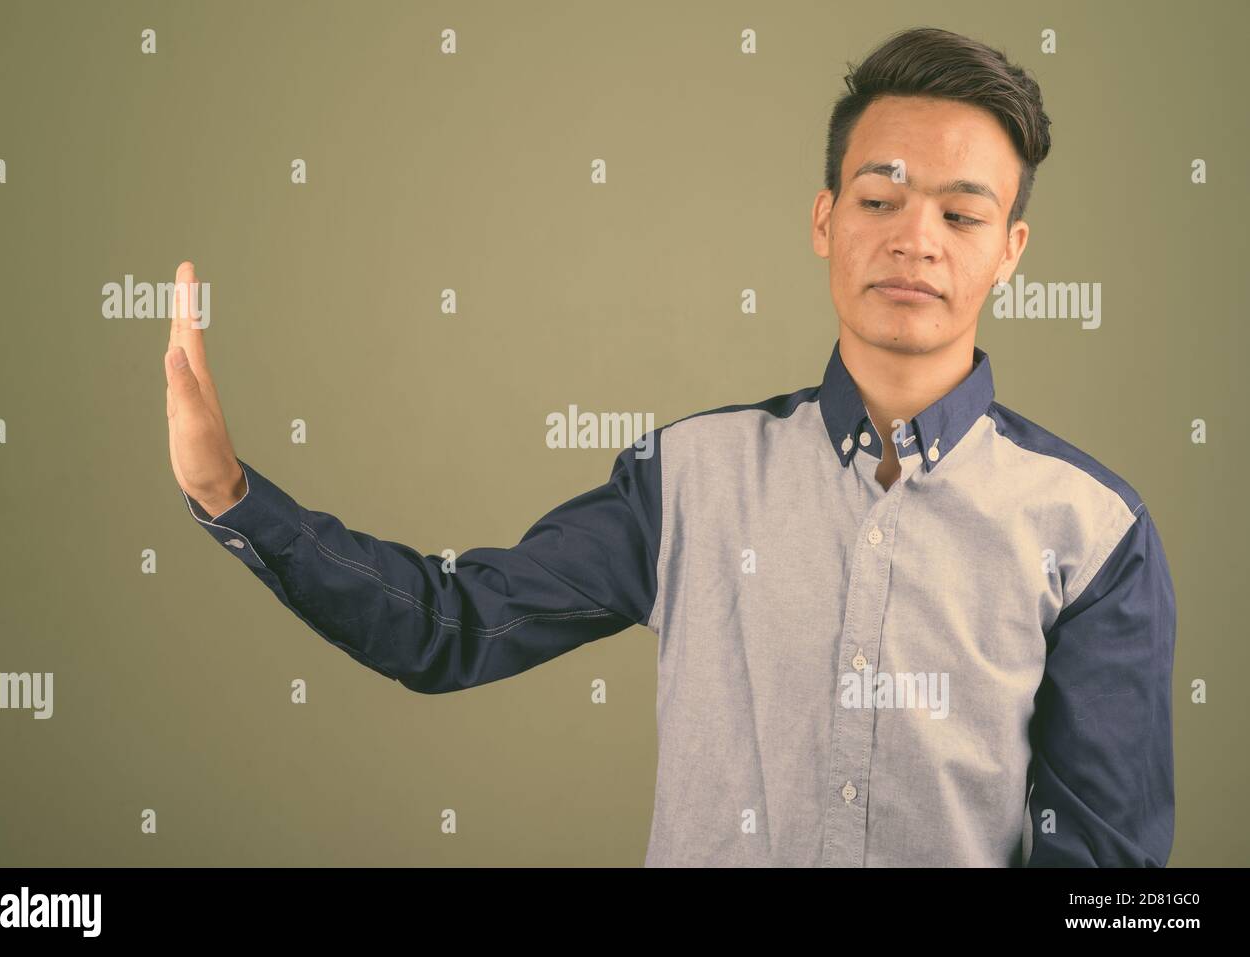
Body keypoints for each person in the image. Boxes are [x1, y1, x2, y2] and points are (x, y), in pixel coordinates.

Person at [163, 26, 1176, 867]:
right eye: (879, 199)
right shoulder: (688, 481)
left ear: (1010, 251)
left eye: (961, 213)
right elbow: (452, 626)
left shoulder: (1090, 533)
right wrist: (231, 491)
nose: (916, 238)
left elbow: (1105, 867)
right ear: (825, 220)